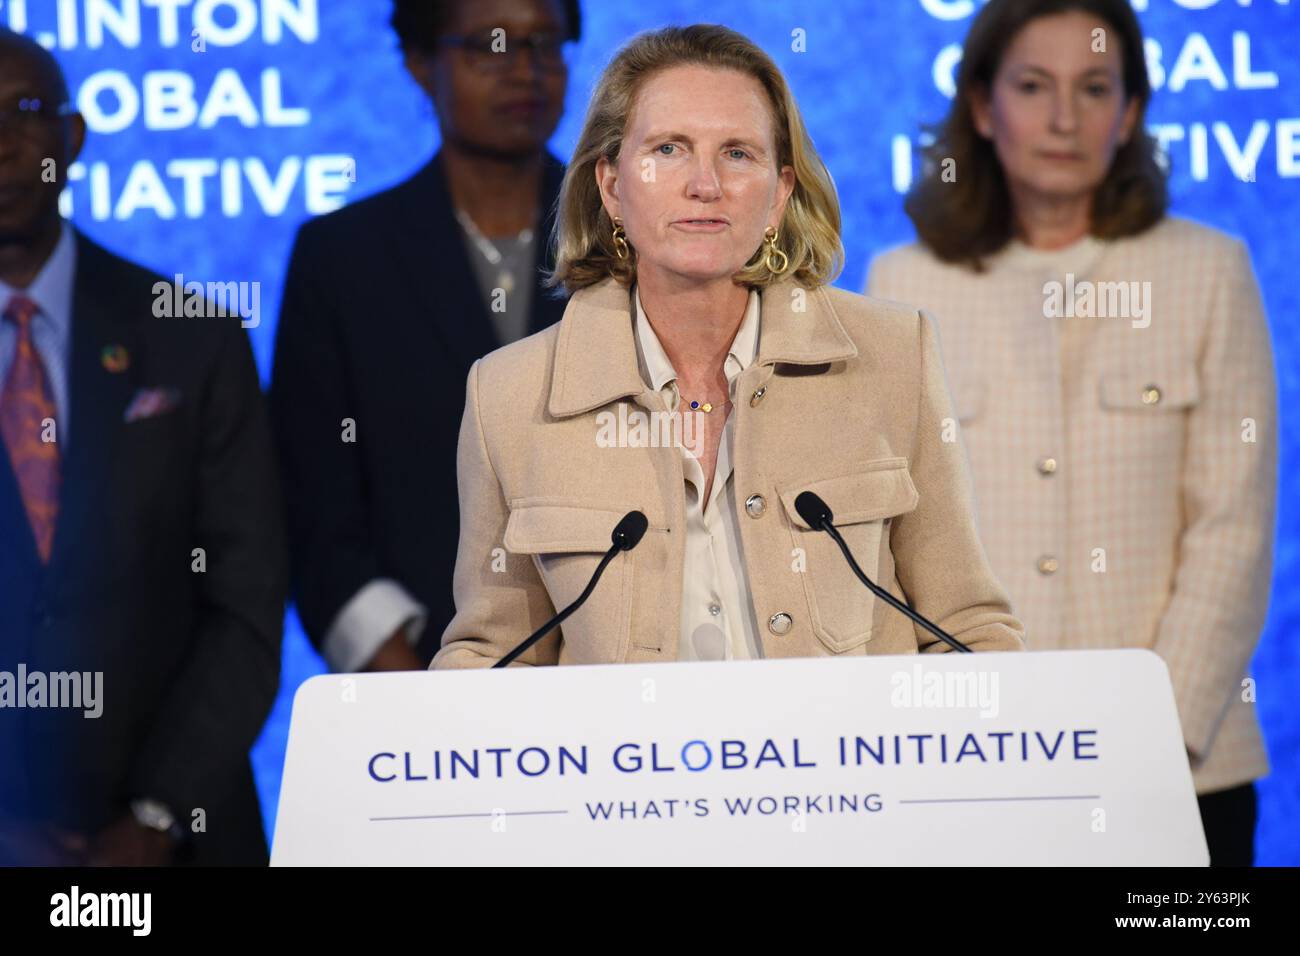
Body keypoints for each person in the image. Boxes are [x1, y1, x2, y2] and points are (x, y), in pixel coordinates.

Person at [433, 25, 1025, 669]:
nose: (705, 185)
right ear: (611, 188)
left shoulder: (891, 355)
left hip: (851, 768)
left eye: (738, 153)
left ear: (779, 194)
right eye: (669, 149)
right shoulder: (511, 395)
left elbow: (966, 628)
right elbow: (494, 658)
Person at [867, 0, 1277, 865]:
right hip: (971, 773)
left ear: (1129, 113)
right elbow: (886, 546)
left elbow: (1232, 532)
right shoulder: (901, 283)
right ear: (983, 105)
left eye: (1094, 88)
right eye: (1032, 86)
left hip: (1183, 771)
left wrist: (1148, 735)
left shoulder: (1208, 270)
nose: (1063, 119)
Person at [0, 30, 285, 865]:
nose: (2, 141)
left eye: (23, 110)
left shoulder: (191, 335)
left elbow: (248, 598)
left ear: (73, 138)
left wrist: (159, 813)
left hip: (184, 836)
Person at [271, 0, 580, 673]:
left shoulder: (631, 240)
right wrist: (414, 695)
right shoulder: (343, 258)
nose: (523, 71)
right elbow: (315, 511)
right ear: (418, 63)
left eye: (545, 44)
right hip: (418, 681)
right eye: (489, 47)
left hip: (618, 678)